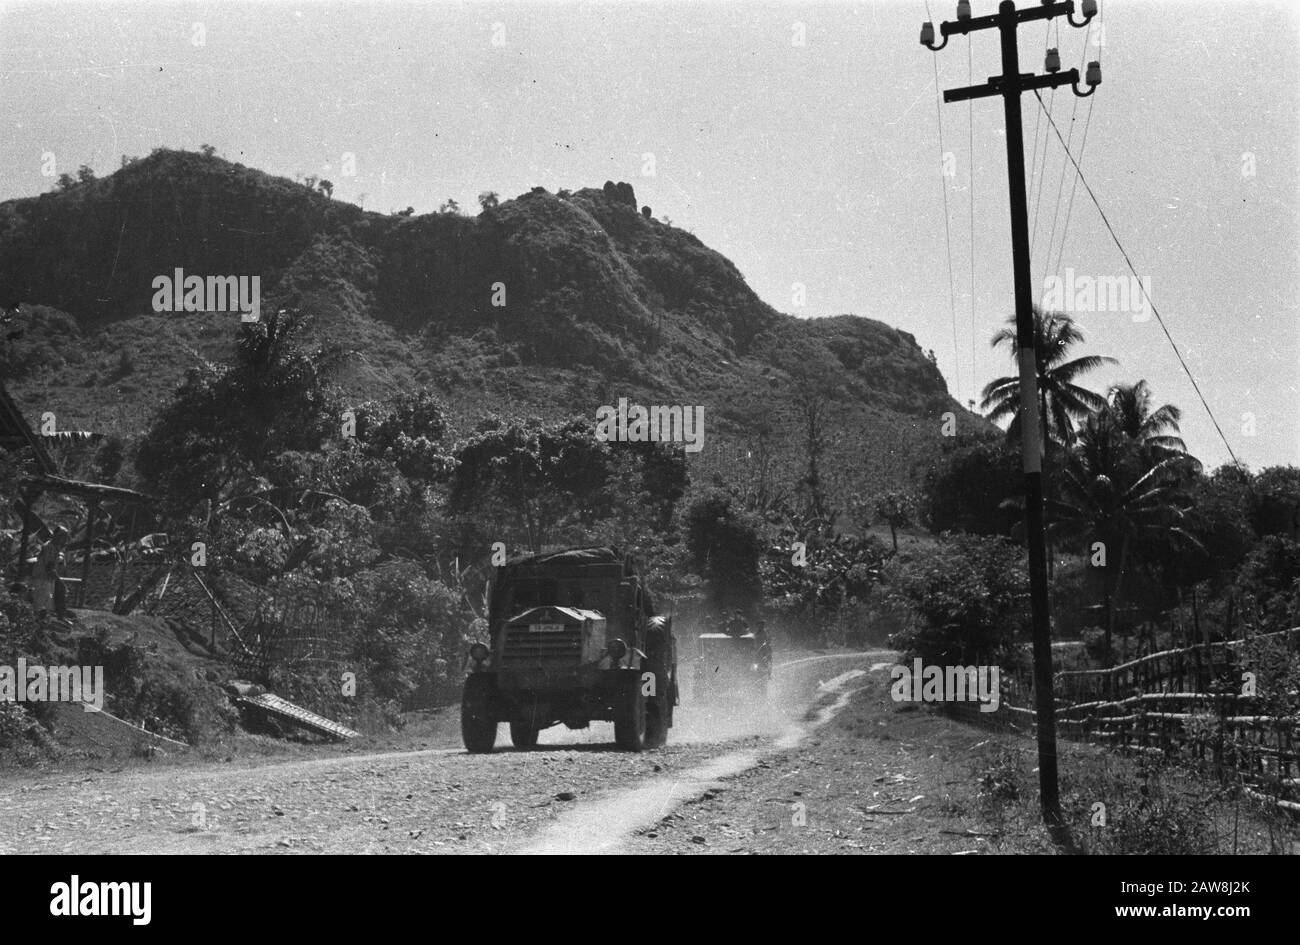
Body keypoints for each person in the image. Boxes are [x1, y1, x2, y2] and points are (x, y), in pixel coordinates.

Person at [31, 526, 69, 617]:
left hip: (47, 579)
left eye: (64, 536)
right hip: (42, 578)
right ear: (55, 535)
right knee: (40, 605)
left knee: (46, 605)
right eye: (61, 535)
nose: (63, 538)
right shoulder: (50, 547)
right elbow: (49, 567)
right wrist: (59, 581)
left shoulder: (55, 547)